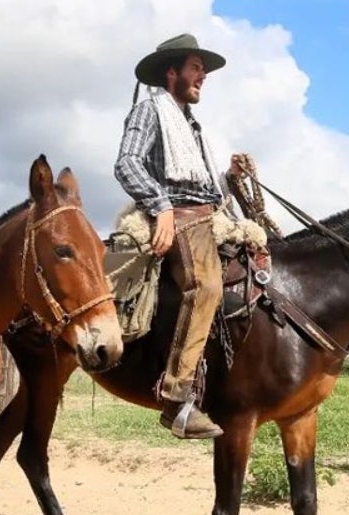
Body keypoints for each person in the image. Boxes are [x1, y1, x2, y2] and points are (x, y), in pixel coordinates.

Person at [114, 33, 247, 440]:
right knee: (205, 286)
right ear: (171, 72)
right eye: (195, 67)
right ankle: (177, 399)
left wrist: (231, 178)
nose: (202, 75)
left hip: (208, 215)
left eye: (203, 70)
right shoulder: (149, 111)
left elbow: (205, 188)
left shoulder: (192, 127)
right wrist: (162, 207)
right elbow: (127, 164)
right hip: (180, 218)